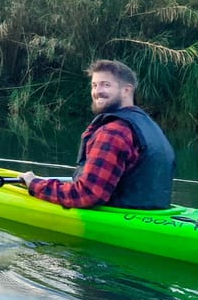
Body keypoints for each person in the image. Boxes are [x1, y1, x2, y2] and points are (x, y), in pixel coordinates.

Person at [19, 59, 176, 209]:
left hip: (120, 218)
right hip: (153, 210)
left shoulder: (114, 131)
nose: (97, 92)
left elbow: (86, 195)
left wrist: (34, 184)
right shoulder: (150, 126)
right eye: (94, 85)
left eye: (105, 85)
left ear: (126, 90)